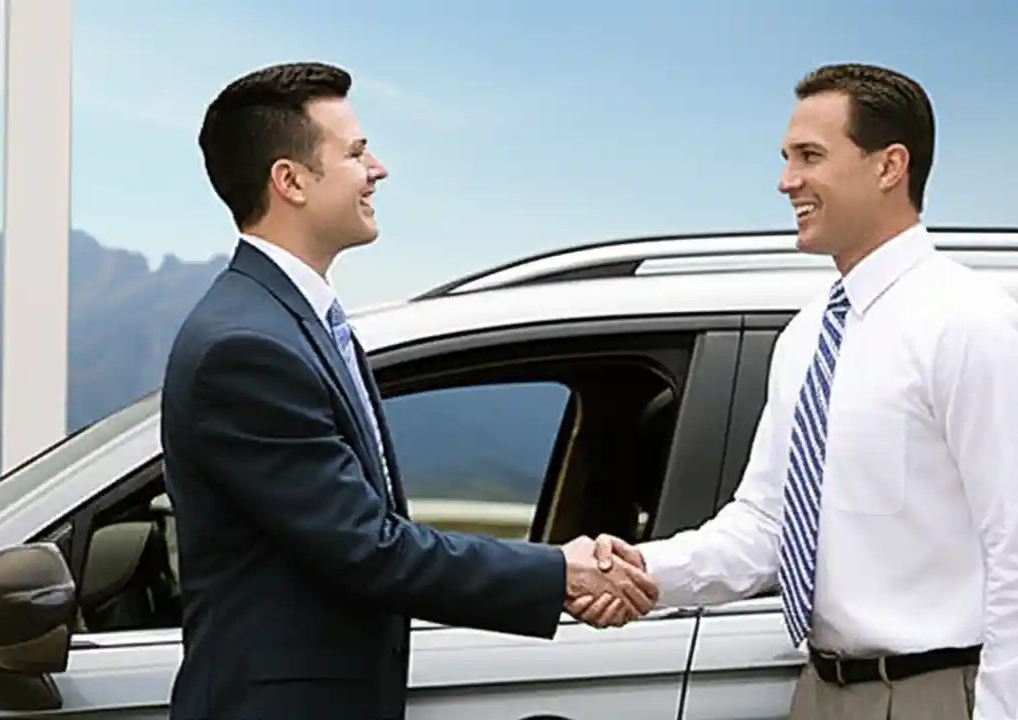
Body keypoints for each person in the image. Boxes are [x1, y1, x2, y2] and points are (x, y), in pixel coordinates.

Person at [579, 62, 1018, 719]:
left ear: (888, 166)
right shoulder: (808, 336)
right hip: (819, 694)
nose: (786, 181)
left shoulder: (973, 326)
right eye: (787, 158)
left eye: (810, 156)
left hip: (936, 697)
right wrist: (635, 568)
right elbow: (766, 529)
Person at [159, 61, 656, 720]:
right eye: (357, 152)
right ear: (290, 181)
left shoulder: (293, 321)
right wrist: (559, 573)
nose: (379, 169)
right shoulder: (246, 348)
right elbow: (365, 545)